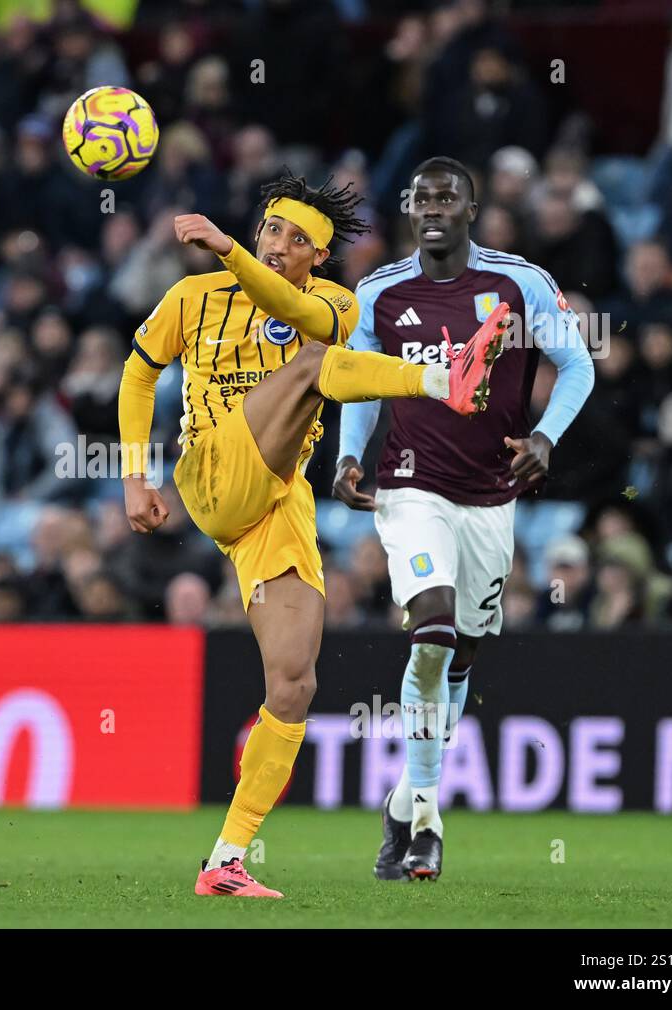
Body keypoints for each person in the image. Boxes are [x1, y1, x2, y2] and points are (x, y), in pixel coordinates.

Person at [118, 170, 505, 897]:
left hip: (277, 502)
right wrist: (135, 476)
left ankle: (226, 861)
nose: (280, 246)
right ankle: (442, 381)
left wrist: (228, 249)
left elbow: (300, 315)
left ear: (318, 259)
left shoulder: (332, 301)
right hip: (212, 470)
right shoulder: (190, 297)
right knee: (308, 369)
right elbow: (140, 376)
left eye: (300, 240)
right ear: (259, 229)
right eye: (273, 230)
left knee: (294, 683)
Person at [334, 157, 594, 881]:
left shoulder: (519, 283)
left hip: (491, 497)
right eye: (423, 197)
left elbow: (578, 365)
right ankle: (428, 824)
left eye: (449, 196)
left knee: (462, 656)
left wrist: (545, 437)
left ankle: (407, 798)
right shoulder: (379, 292)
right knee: (434, 626)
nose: (435, 206)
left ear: (471, 208)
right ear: (411, 210)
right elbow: (357, 381)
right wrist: (350, 456)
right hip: (411, 488)